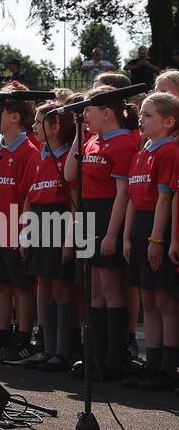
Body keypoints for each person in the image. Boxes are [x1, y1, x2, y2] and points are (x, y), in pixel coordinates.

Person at [64, 89, 136, 381]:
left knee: (110, 288)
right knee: (92, 288)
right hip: (88, 214)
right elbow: (70, 174)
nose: (83, 116)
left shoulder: (123, 143)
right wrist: (79, 138)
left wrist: (111, 234)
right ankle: (94, 355)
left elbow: (123, 194)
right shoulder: (92, 140)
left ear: (107, 112)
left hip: (108, 216)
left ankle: (113, 359)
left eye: (88, 110)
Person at [123, 93, 179, 390]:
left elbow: (165, 198)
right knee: (148, 299)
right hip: (140, 227)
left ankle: (169, 367)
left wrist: (157, 239)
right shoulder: (142, 151)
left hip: (159, 227)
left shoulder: (170, 151)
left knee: (165, 300)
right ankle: (152, 363)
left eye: (148, 115)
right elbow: (133, 197)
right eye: (141, 114)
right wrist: (127, 235)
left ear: (169, 122)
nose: (141, 119)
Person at [0, 87, 39, 362]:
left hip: (16, 229)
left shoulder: (29, 151)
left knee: (22, 287)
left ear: (14, 117)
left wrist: (25, 234)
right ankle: (0, 337)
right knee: (1, 287)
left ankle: (23, 338)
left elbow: (29, 195)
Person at [21, 99, 77, 372]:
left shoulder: (69, 158)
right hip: (40, 223)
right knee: (43, 285)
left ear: (54, 126)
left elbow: (75, 202)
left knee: (61, 287)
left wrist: (69, 240)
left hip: (63, 223)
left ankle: (63, 351)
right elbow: (30, 198)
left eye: (38, 121)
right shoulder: (37, 156)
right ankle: (47, 347)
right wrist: (25, 232)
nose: (33, 126)